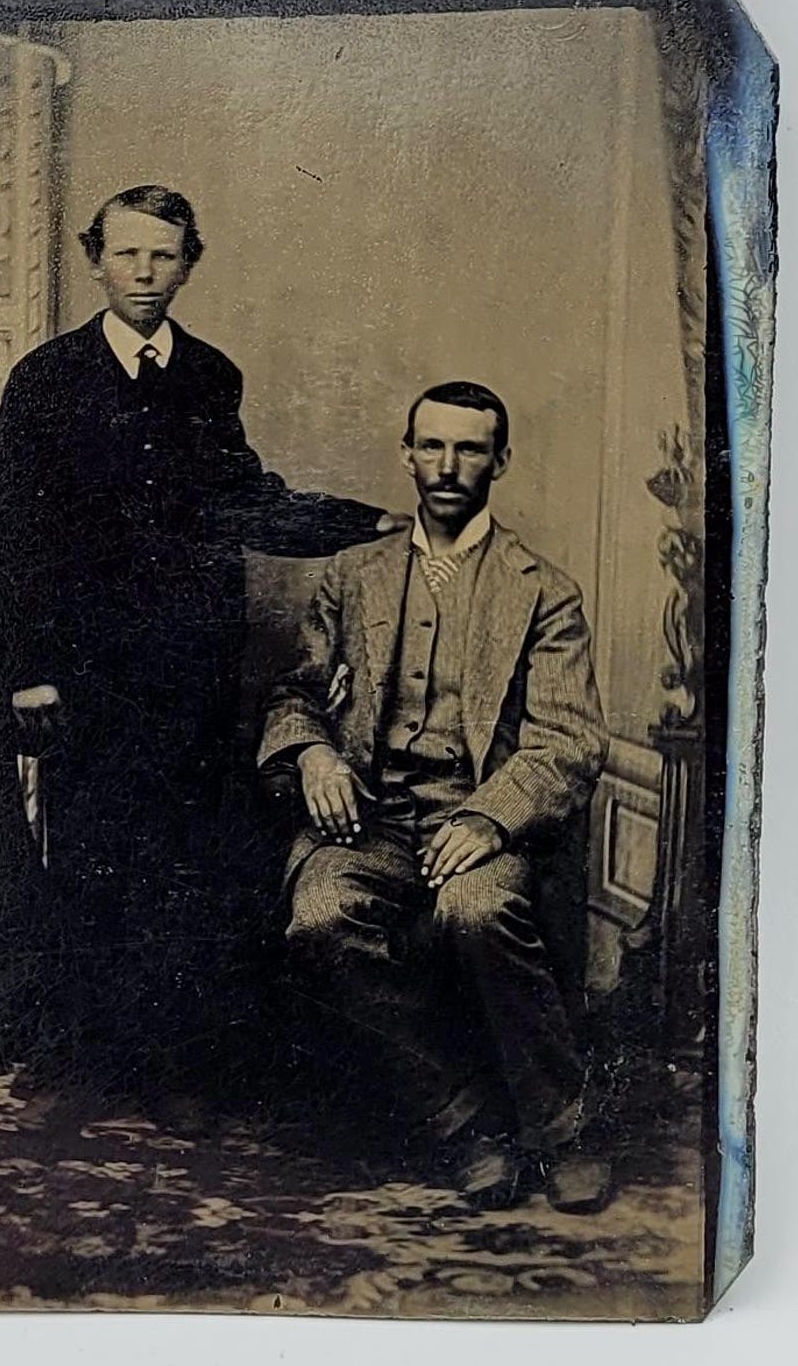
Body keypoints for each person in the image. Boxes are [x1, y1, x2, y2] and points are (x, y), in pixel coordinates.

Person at [0, 185, 397, 1093]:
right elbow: (12, 540)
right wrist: (30, 674)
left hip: (194, 665)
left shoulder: (211, 376)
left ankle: (171, 1064)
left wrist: (367, 522)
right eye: (127, 254)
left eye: (164, 256)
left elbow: (245, 499)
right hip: (86, 674)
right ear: (96, 259)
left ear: (188, 263)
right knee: (91, 852)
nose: (145, 273)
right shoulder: (44, 381)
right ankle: (87, 1061)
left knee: (185, 858)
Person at [258, 382, 612, 1211]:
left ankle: (562, 1130)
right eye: (432, 447)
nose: (448, 468)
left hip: (479, 820)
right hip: (369, 820)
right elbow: (295, 694)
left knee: (476, 912)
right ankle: (464, 1123)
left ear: (500, 461)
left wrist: (489, 817)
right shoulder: (353, 576)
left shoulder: (543, 589)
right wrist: (313, 757)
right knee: (319, 917)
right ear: (408, 453)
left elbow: (569, 739)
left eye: (470, 449)